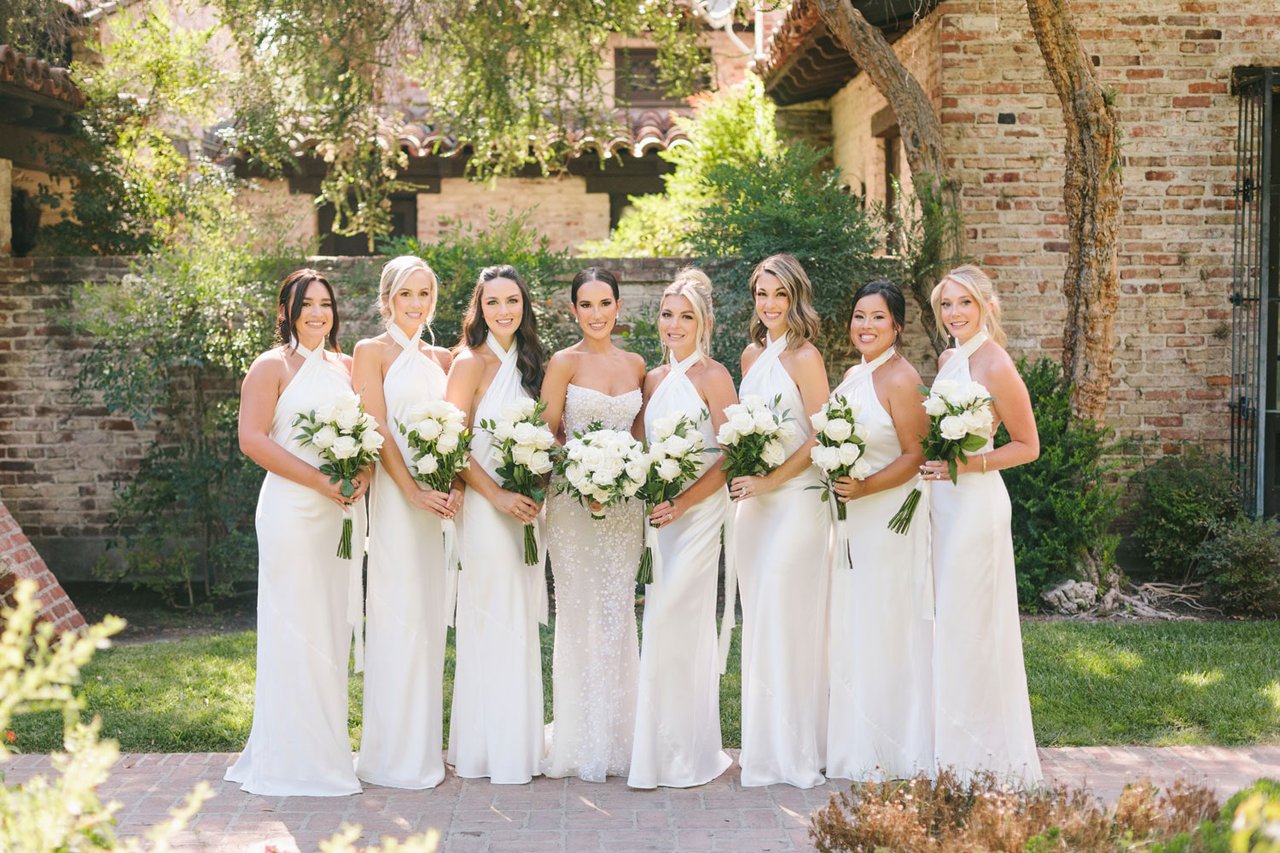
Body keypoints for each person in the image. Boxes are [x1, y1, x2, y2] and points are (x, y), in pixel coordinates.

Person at [226, 268, 369, 797]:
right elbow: (253, 440)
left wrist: (358, 478)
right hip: (291, 509)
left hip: (338, 513)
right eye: (307, 304)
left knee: (330, 625)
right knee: (293, 624)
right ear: (286, 311)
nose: (317, 313)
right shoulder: (270, 367)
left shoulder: (347, 366)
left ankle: (327, 747)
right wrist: (321, 481)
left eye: (326, 304)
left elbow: (368, 436)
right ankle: (290, 755)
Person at [921, 264, 1042, 785]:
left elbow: (1028, 446)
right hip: (942, 505)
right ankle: (947, 742)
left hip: (975, 505)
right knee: (945, 620)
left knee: (973, 624)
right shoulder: (950, 358)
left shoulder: (995, 363)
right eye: (946, 305)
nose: (954, 314)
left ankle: (983, 753)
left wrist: (967, 465)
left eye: (964, 303)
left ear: (986, 306)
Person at [628, 269, 736, 790]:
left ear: (704, 323)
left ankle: (682, 753)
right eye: (667, 314)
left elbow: (734, 454)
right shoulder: (651, 378)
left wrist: (684, 501)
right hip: (660, 517)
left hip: (698, 512)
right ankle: (670, 745)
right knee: (667, 623)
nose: (674, 324)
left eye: (685, 316)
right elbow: (636, 443)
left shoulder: (715, 377)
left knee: (673, 618)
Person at [352, 257, 457, 789]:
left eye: (425, 293)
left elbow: (462, 427)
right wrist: (412, 490)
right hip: (397, 504)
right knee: (396, 614)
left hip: (440, 504)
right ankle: (390, 753)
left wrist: (448, 485)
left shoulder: (445, 357)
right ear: (387, 298)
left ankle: (424, 748)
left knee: (430, 618)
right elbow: (378, 429)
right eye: (407, 294)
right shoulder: (370, 352)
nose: (417, 304)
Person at [729, 253, 832, 789]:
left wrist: (771, 480)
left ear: (796, 298)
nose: (769, 305)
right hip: (756, 507)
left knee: (785, 616)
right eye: (761, 294)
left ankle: (795, 750)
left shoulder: (805, 357)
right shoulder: (751, 356)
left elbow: (824, 437)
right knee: (761, 618)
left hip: (797, 500)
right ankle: (763, 745)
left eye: (779, 295)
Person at [540, 266, 646, 782]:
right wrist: (583, 473)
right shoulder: (563, 363)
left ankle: (620, 739)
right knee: (579, 612)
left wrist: (622, 475)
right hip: (572, 505)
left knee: (617, 611)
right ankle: (580, 742)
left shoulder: (637, 364)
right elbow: (545, 437)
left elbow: (642, 441)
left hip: (625, 510)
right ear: (573, 310)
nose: (597, 314)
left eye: (606, 303)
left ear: (618, 307)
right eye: (586, 305)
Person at [445, 265, 548, 784]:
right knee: (493, 614)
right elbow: (451, 445)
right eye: (493, 303)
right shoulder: (469, 363)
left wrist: (534, 490)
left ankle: (519, 744)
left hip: (526, 508)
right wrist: (498, 496)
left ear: (524, 306)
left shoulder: (531, 364)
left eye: (512, 301)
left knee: (519, 616)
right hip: (486, 509)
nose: (504, 311)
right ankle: (488, 749)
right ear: (479, 309)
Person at [826, 280, 932, 781]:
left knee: (884, 625)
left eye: (877, 318)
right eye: (859, 316)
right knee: (853, 624)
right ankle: (852, 740)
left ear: (898, 327)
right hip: (850, 518)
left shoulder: (901, 378)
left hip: (887, 517)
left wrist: (865, 488)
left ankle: (888, 745)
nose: (865, 326)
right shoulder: (854, 374)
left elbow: (916, 455)